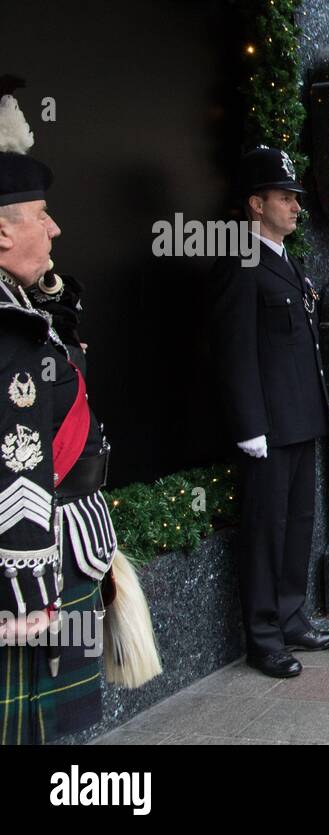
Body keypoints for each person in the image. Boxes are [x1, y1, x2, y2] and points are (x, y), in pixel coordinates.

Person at [1, 96, 118, 742]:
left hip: (63, 543)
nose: (55, 229)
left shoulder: (29, 306)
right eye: (41, 216)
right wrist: (26, 586)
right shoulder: (10, 328)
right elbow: (18, 459)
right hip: (32, 566)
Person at [209, 146, 329, 679]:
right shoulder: (242, 264)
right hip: (268, 425)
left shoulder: (288, 261)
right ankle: (263, 636)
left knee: (299, 522)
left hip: (301, 416)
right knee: (265, 530)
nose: (294, 207)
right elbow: (234, 350)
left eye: (295, 198)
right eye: (284, 198)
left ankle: (290, 615)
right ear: (255, 205)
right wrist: (250, 425)